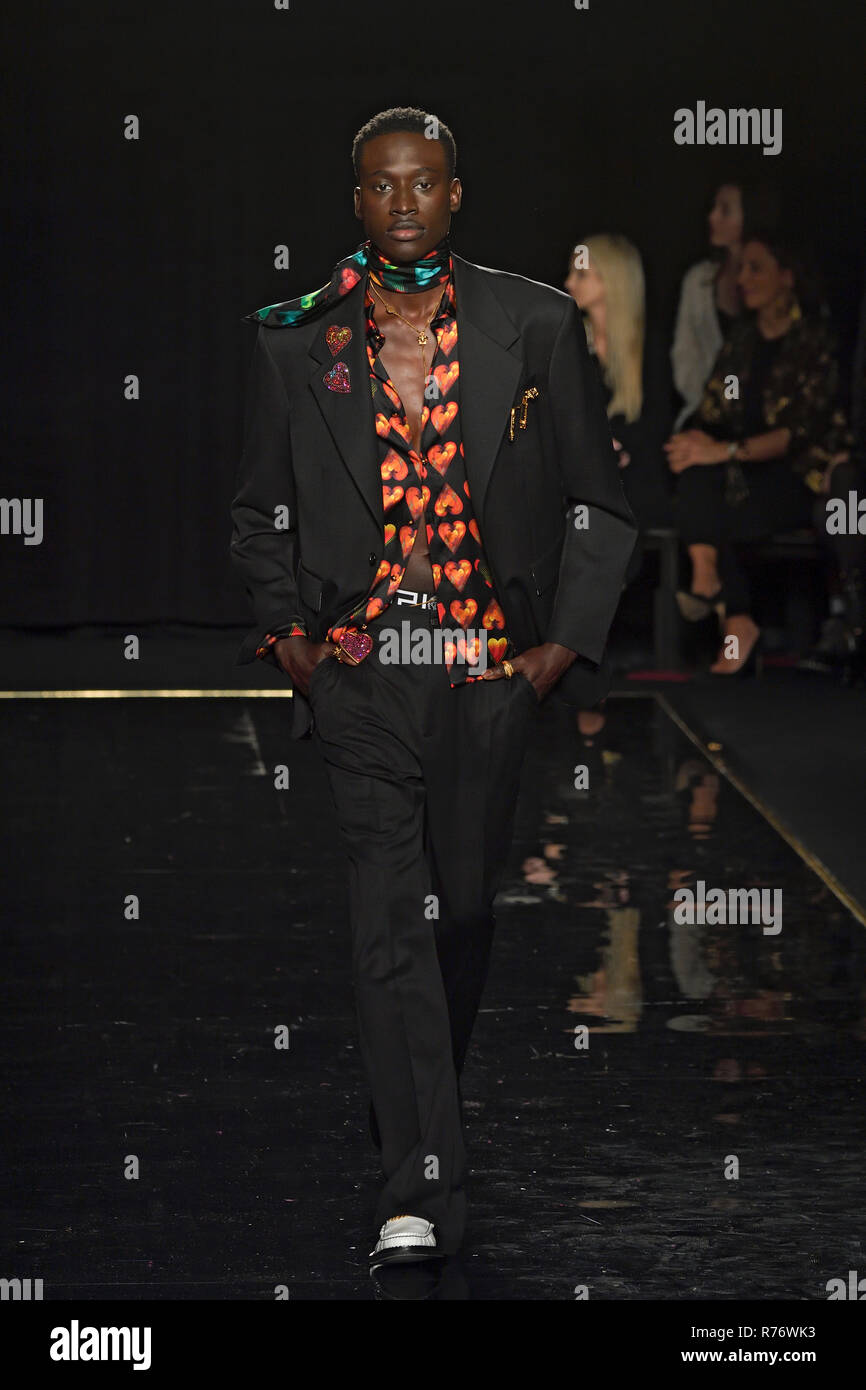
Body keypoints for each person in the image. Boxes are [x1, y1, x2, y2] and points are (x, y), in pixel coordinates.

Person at [229, 107, 637, 1278]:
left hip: (480, 665)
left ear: (455, 195)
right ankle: (413, 1187)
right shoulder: (293, 343)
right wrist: (295, 642)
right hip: (360, 671)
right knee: (385, 926)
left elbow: (598, 506)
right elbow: (257, 512)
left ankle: (413, 1098)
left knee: (456, 917)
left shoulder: (535, 325)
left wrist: (554, 652)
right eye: (378, 187)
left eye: (423, 185)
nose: (401, 204)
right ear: (353, 201)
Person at [665, 230, 850, 675]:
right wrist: (694, 443)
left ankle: (724, 602)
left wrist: (722, 450)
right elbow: (713, 408)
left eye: (755, 268)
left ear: (786, 277)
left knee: (721, 502)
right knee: (693, 474)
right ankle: (721, 596)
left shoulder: (815, 341)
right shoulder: (743, 341)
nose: (743, 278)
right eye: (741, 268)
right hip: (737, 468)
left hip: (794, 475)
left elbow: (797, 433)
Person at [670, 180, 780, 431]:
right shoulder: (699, 280)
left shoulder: (775, 282)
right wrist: (713, 409)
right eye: (713, 208)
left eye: (725, 210)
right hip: (707, 417)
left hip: (765, 421)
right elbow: (685, 357)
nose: (712, 217)